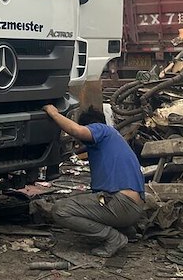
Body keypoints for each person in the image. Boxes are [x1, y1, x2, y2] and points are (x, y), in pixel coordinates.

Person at [35, 104, 145, 257]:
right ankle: (125, 229)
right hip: (133, 207)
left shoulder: (102, 129)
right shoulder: (115, 140)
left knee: (61, 210)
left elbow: (76, 130)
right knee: (91, 201)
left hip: (120, 203)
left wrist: (53, 113)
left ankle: (113, 237)